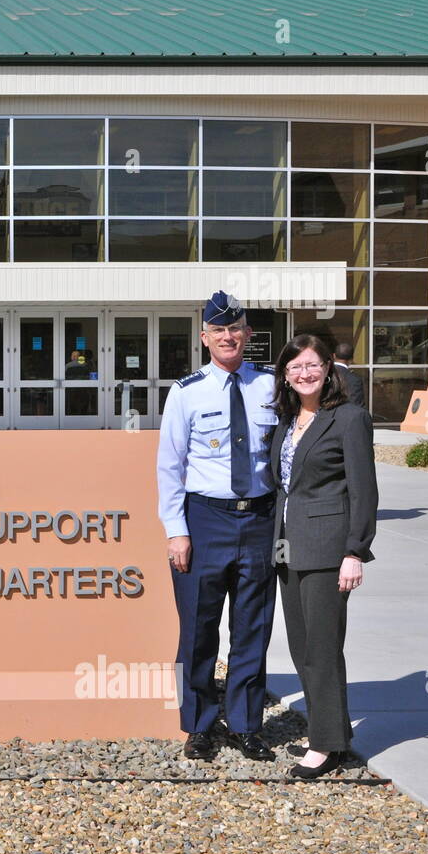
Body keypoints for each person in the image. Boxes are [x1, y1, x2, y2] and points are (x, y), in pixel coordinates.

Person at [157, 291, 279, 762]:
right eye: (218, 330)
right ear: (204, 337)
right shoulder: (186, 392)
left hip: (260, 518)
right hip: (205, 519)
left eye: (236, 329)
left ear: (247, 334)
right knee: (199, 628)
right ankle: (201, 725)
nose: (228, 337)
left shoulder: (270, 385)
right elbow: (170, 465)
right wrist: (176, 529)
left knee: (254, 626)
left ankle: (248, 724)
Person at [269, 335, 377, 778]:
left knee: (322, 648)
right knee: (301, 647)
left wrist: (355, 550)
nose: (304, 374)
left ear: (328, 368)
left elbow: (364, 489)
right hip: (289, 547)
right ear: (286, 376)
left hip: (329, 549)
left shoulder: (348, 419)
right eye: (295, 367)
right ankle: (330, 734)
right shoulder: (287, 420)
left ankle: (326, 745)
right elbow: (284, 487)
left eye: (312, 365)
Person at [332, 341, 365, 409]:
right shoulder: (354, 379)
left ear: (334, 356)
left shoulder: (322, 374)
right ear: (351, 360)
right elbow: (356, 407)